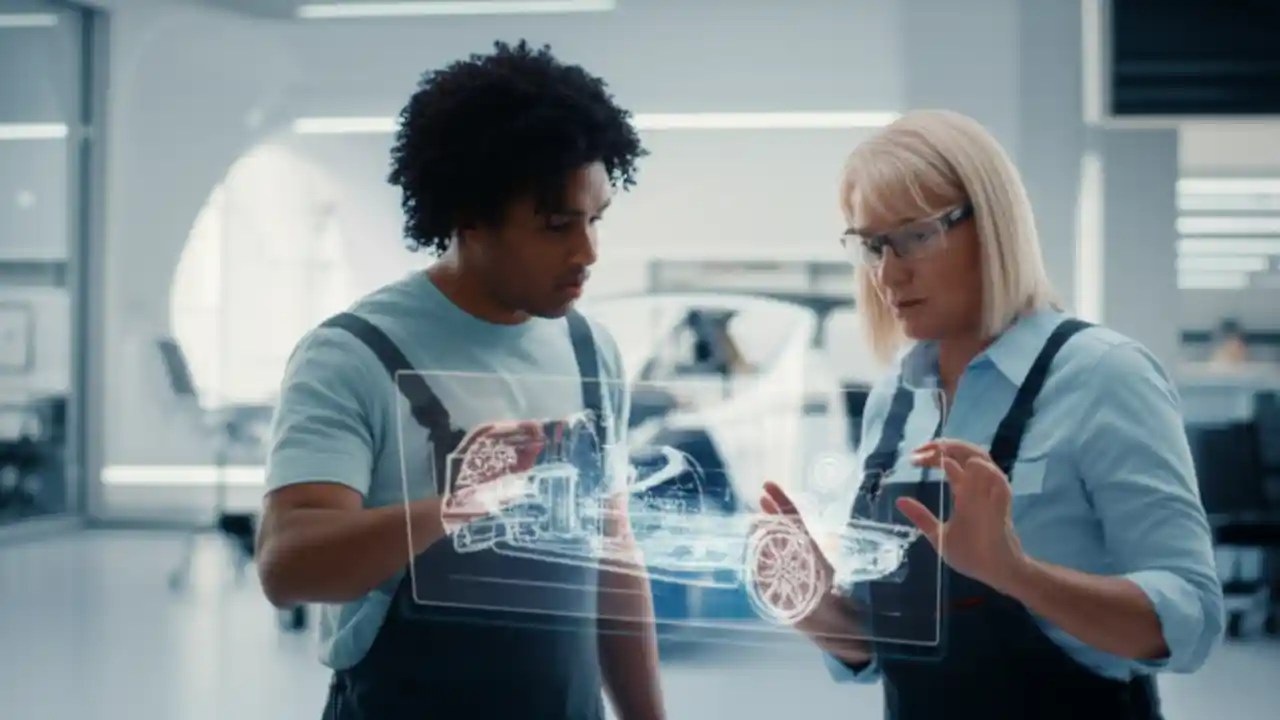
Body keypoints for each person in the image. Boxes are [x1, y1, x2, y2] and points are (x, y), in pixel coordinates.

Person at [760, 109, 1224, 719]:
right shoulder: (893, 402)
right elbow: (888, 645)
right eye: (872, 245)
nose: (888, 273)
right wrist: (817, 605)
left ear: (993, 227)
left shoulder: (1103, 375)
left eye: (916, 236)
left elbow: (1192, 620)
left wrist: (1016, 573)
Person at [254, 40, 665, 720]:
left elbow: (613, 558)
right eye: (556, 225)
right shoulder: (353, 354)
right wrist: (462, 503)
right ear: (469, 215)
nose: (588, 251)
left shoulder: (592, 352)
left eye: (595, 220)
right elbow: (287, 566)